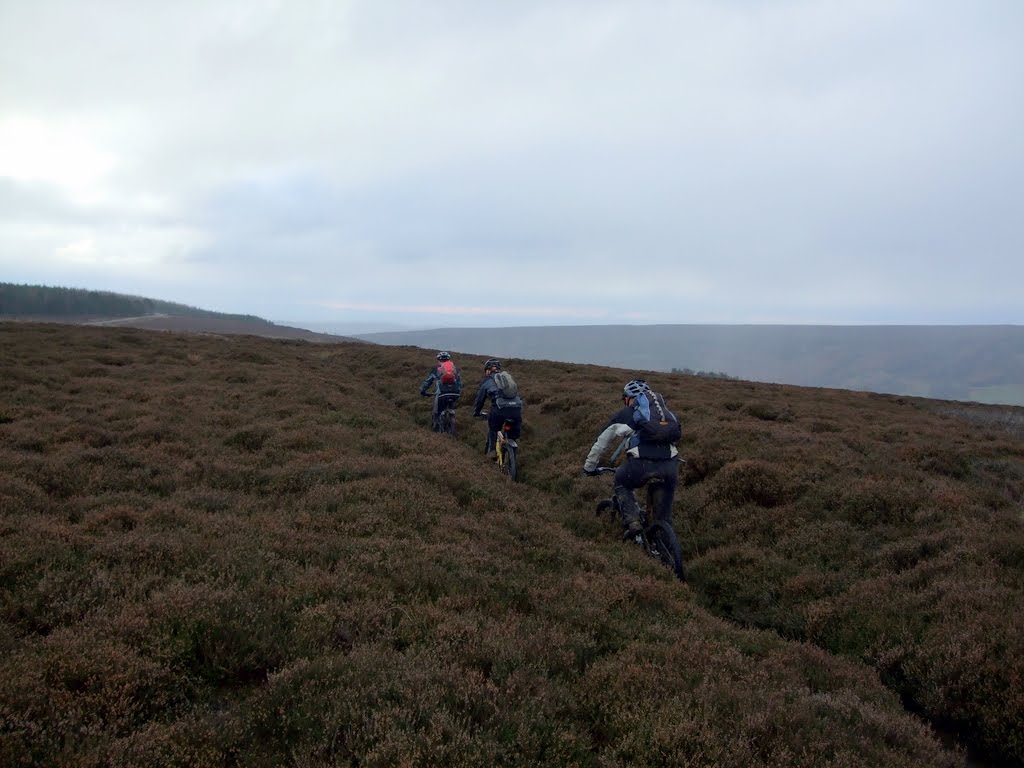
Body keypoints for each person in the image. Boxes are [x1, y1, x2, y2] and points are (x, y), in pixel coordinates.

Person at [583, 379, 682, 541]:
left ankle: (633, 522)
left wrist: (589, 468)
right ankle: (664, 547)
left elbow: (601, 444)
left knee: (621, 480)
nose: (624, 403)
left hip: (640, 465)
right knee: (663, 517)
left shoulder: (625, 414)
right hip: (670, 466)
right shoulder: (662, 413)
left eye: (625, 399)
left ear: (629, 398)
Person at [472, 358, 523, 458]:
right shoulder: (507, 378)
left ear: (488, 370)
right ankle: (512, 453)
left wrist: (476, 412)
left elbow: (480, 400)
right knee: (513, 432)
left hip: (500, 410)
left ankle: (492, 451)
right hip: (516, 408)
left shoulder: (487, 380)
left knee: (493, 428)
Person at [419, 351, 462, 431]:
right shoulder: (455, 369)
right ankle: (452, 423)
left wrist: (423, 390)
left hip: (441, 394)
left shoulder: (437, 369)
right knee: (451, 407)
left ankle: (436, 431)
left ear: (439, 360)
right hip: (455, 394)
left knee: (436, 413)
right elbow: (459, 383)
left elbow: (428, 381)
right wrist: (458, 391)